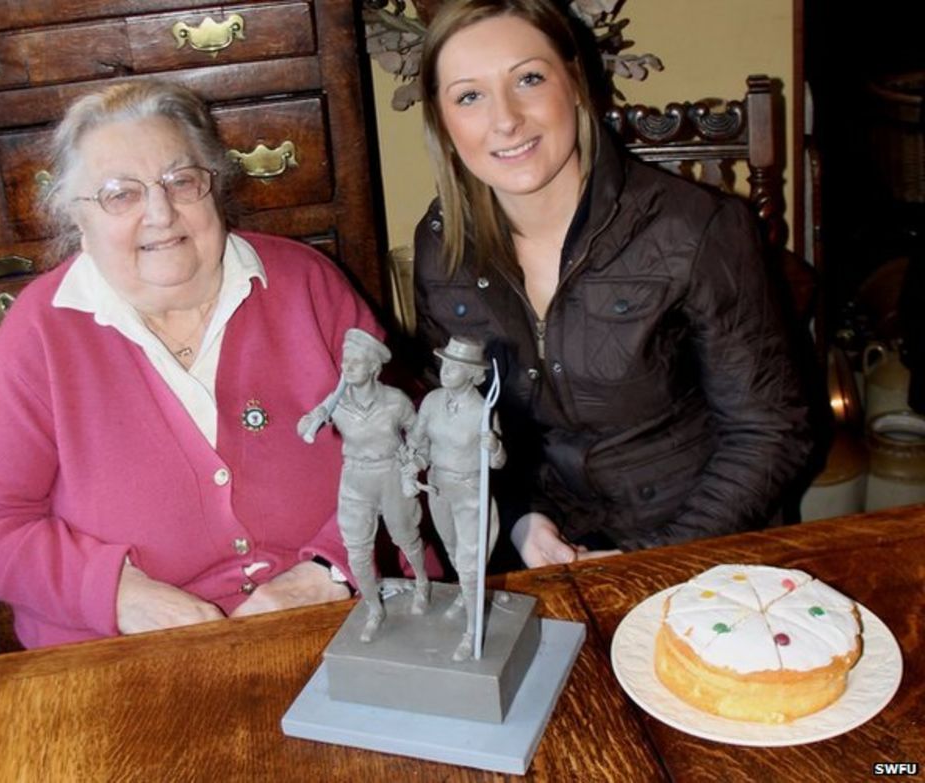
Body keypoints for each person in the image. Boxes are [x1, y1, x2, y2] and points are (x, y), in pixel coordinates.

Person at [0, 80, 380, 648]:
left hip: (334, 620)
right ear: (78, 218)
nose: (160, 212)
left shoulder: (306, 284)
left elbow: (401, 453)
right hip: (124, 653)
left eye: (182, 181)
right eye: (118, 194)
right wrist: (118, 594)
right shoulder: (42, 330)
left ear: (214, 188)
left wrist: (331, 571)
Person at [412, 0, 812, 568]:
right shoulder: (441, 245)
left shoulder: (695, 230)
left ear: (574, 83)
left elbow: (770, 431)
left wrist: (646, 559)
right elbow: (455, 425)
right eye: (469, 96)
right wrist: (519, 518)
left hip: (698, 548)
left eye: (528, 78)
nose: (505, 119)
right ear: (443, 123)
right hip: (535, 554)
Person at [297, 328, 431, 642]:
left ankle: (423, 584)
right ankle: (374, 609)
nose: (348, 367)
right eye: (346, 361)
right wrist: (312, 419)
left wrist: (415, 462)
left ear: (374, 367)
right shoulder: (336, 403)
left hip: (390, 475)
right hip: (355, 480)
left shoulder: (395, 401)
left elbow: (419, 436)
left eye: (357, 362)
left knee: (406, 538)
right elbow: (304, 426)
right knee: (356, 551)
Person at [404, 336, 506, 660]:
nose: (447, 370)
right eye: (446, 362)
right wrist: (413, 465)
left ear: (474, 374)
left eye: (456, 366)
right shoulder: (432, 401)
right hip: (439, 489)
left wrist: (496, 448)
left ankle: (472, 632)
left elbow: (499, 463)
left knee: (469, 564)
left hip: (470, 495)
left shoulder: (483, 411)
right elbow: (419, 445)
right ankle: (465, 595)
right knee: (450, 547)